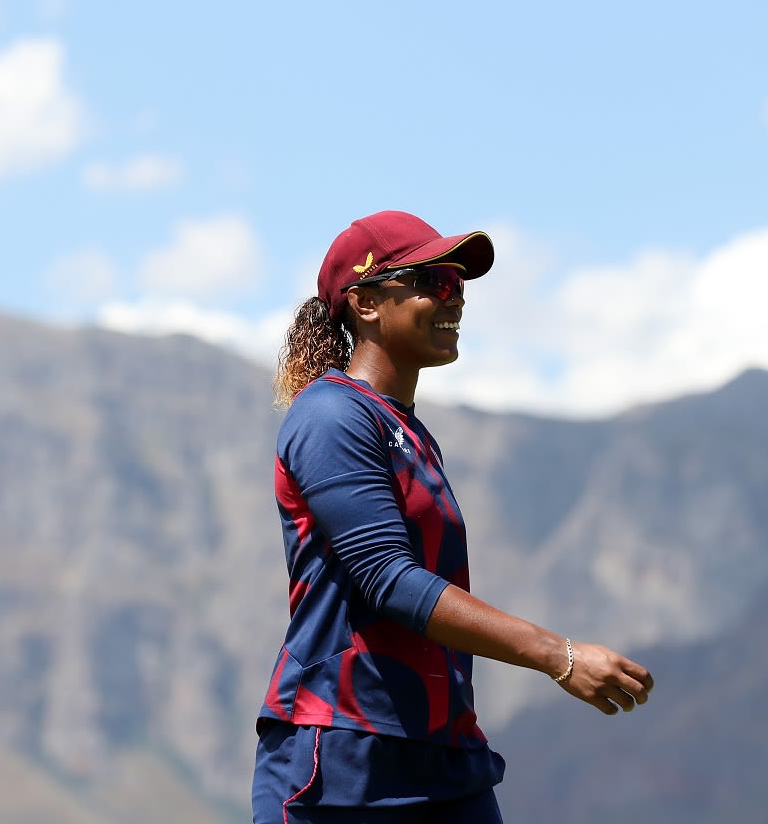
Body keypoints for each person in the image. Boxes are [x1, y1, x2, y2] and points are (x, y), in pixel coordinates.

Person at [252, 210, 654, 823]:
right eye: (435, 282)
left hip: (443, 758)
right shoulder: (330, 416)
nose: (456, 298)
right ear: (365, 304)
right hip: (342, 763)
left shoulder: (407, 433)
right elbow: (387, 579)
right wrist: (558, 655)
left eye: (460, 284)